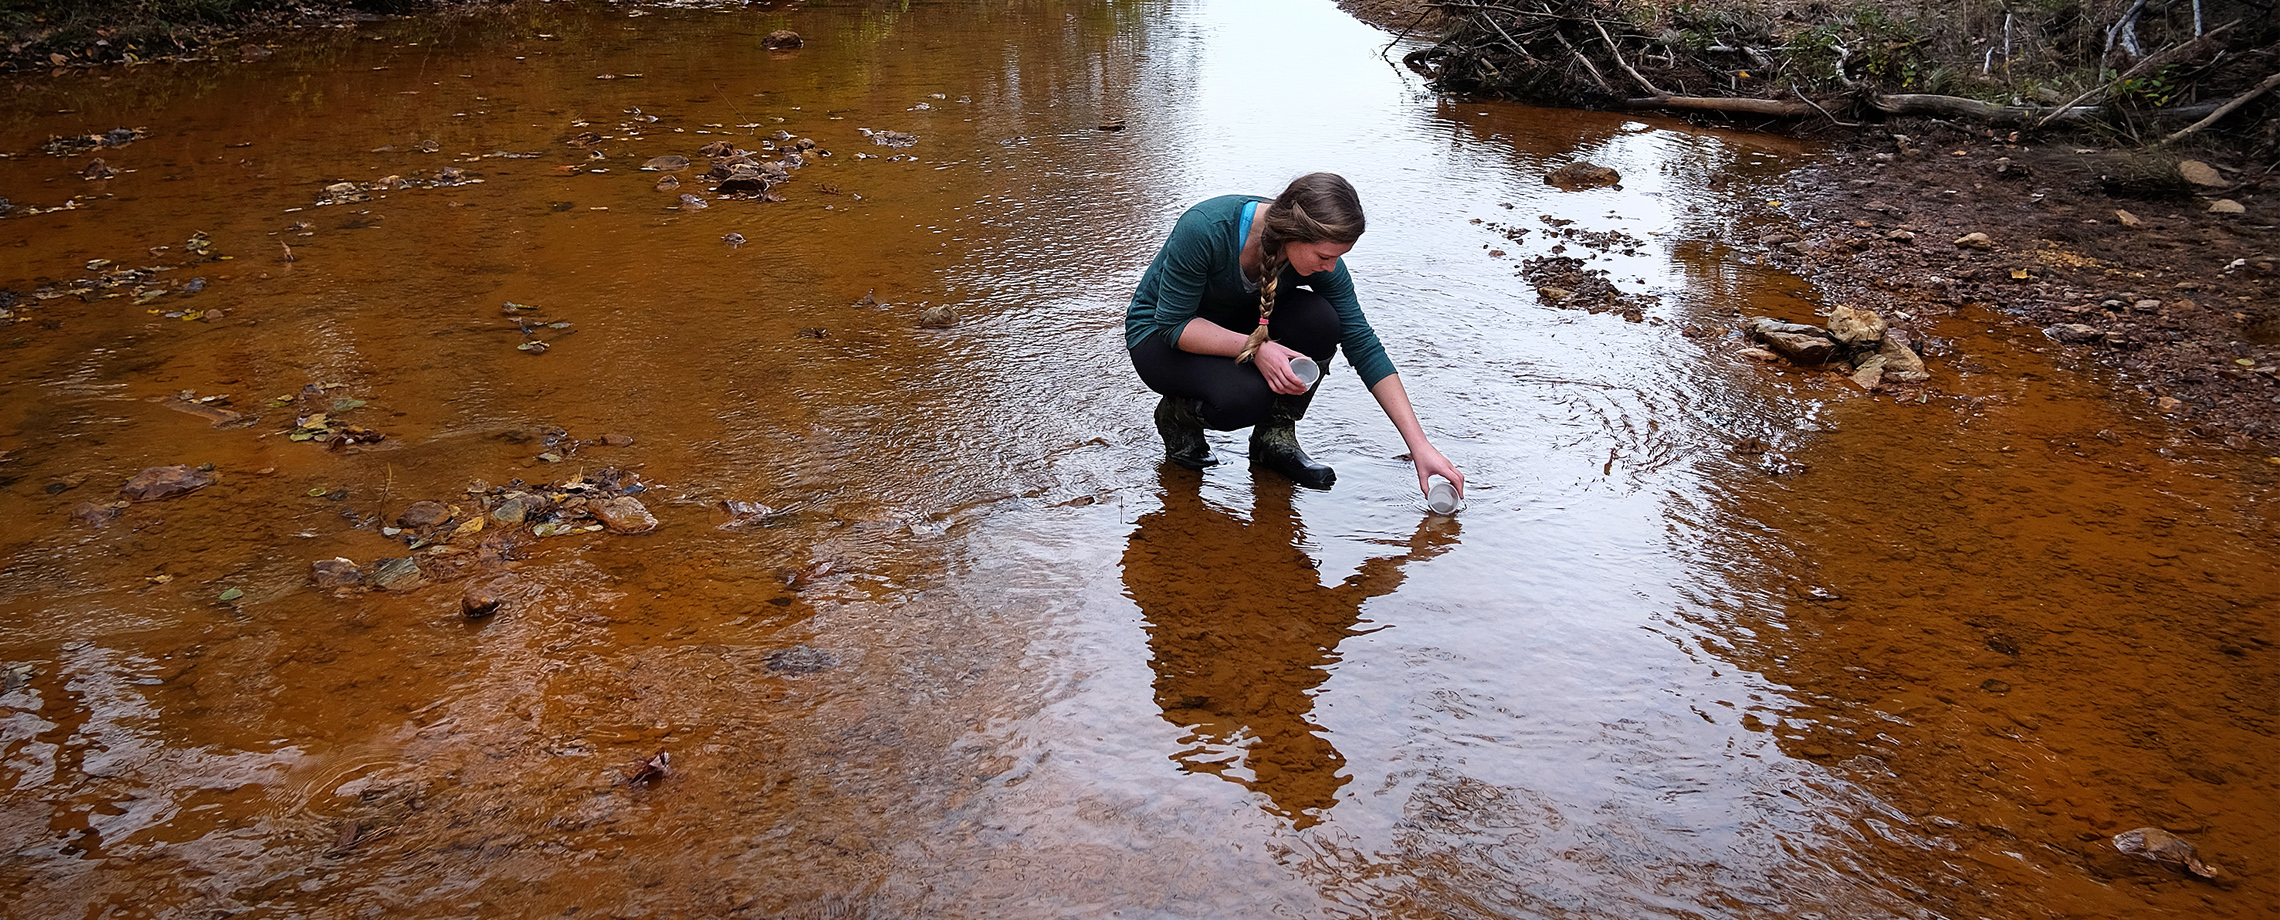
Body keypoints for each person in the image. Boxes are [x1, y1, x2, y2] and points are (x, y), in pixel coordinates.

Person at [1125, 172, 1465, 497]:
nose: (1330, 267)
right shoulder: (1205, 228)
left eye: (1337, 257)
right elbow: (1174, 324)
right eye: (1324, 256)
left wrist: (1419, 446)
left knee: (1321, 319)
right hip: (1162, 337)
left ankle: (1274, 440)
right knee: (1245, 398)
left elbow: (1361, 342)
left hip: (1238, 325)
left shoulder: (1314, 254)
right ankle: (1176, 417)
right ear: (1294, 233)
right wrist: (1257, 348)